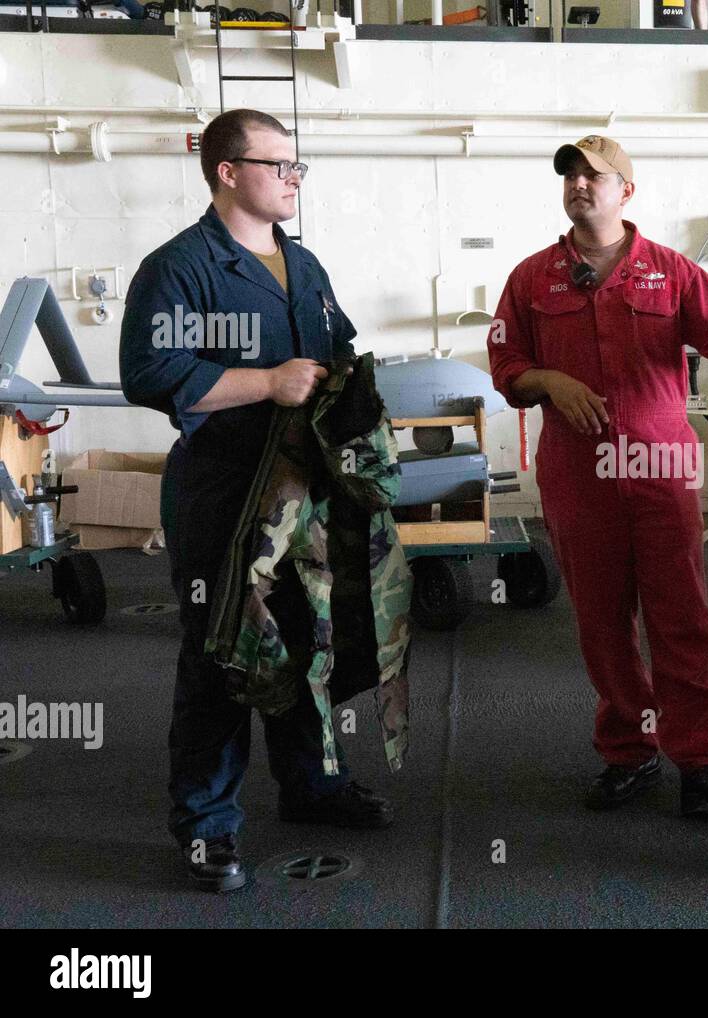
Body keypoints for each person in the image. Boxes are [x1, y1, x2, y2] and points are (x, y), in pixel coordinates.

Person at [488, 135, 708, 816]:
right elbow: (507, 367)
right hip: (578, 475)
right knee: (602, 623)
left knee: (680, 616)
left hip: (658, 469)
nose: (579, 185)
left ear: (626, 189)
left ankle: (703, 761)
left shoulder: (672, 271)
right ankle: (629, 751)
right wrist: (549, 380)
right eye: (570, 175)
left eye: (595, 176)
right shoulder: (532, 278)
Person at [120, 108, 393, 894]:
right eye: (279, 165)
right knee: (221, 653)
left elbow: (336, 351)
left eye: (296, 166)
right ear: (228, 172)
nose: (292, 178)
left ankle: (311, 785)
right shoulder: (180, 267)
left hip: (303, 491)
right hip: (223, 492)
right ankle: (207, 826)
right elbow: (150, 371)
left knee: (307, 642)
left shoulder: (301, 266)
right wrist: (269, 383)